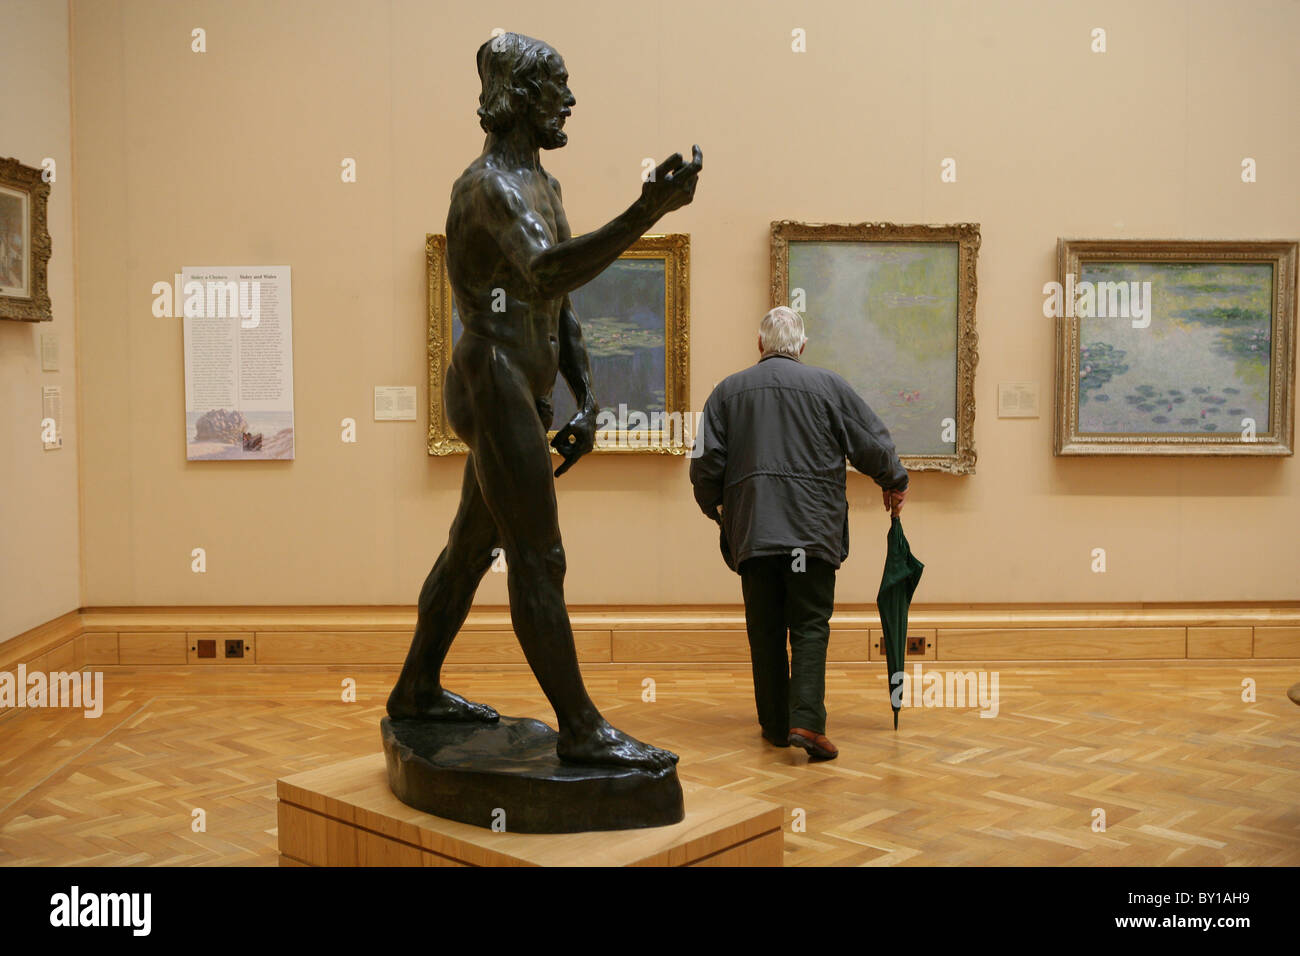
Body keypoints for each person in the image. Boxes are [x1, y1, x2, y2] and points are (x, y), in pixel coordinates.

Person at [386, 33, 702, 771]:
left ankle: (415, 688)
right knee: (538, 554)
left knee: (471, 548)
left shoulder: (544, 187)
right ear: (521, 97)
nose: (569, 101)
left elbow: (558, 301)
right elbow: (543, 269)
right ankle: (582, 727)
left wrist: (587, 395)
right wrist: (646, 211)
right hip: (491, 380)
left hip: (520, 387)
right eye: (557, 86)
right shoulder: (487, 188)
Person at [689, 306, 909, 760]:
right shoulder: (829, 387)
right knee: (810, 625)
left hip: (755, 532)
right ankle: (806, 722)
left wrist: (721, 513)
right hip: (813, 532)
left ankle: (774, 725)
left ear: (759, 345)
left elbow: (704, 467)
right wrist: (895, 480)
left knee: (764, 629)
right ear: (802, 347)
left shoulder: (726, 393)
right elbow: (871, 442)